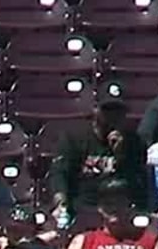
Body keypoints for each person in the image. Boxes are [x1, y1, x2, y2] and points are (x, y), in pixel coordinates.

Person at [50, 84, 147, 223]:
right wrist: (61, 202)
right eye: (108, 110)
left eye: (118, 111)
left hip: (121, 212)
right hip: (84, 209)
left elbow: (138, 184)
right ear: (96, 109)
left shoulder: (134, 142)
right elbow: (60, 173)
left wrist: (122, 155)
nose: (113, 116)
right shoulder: (74, 138)